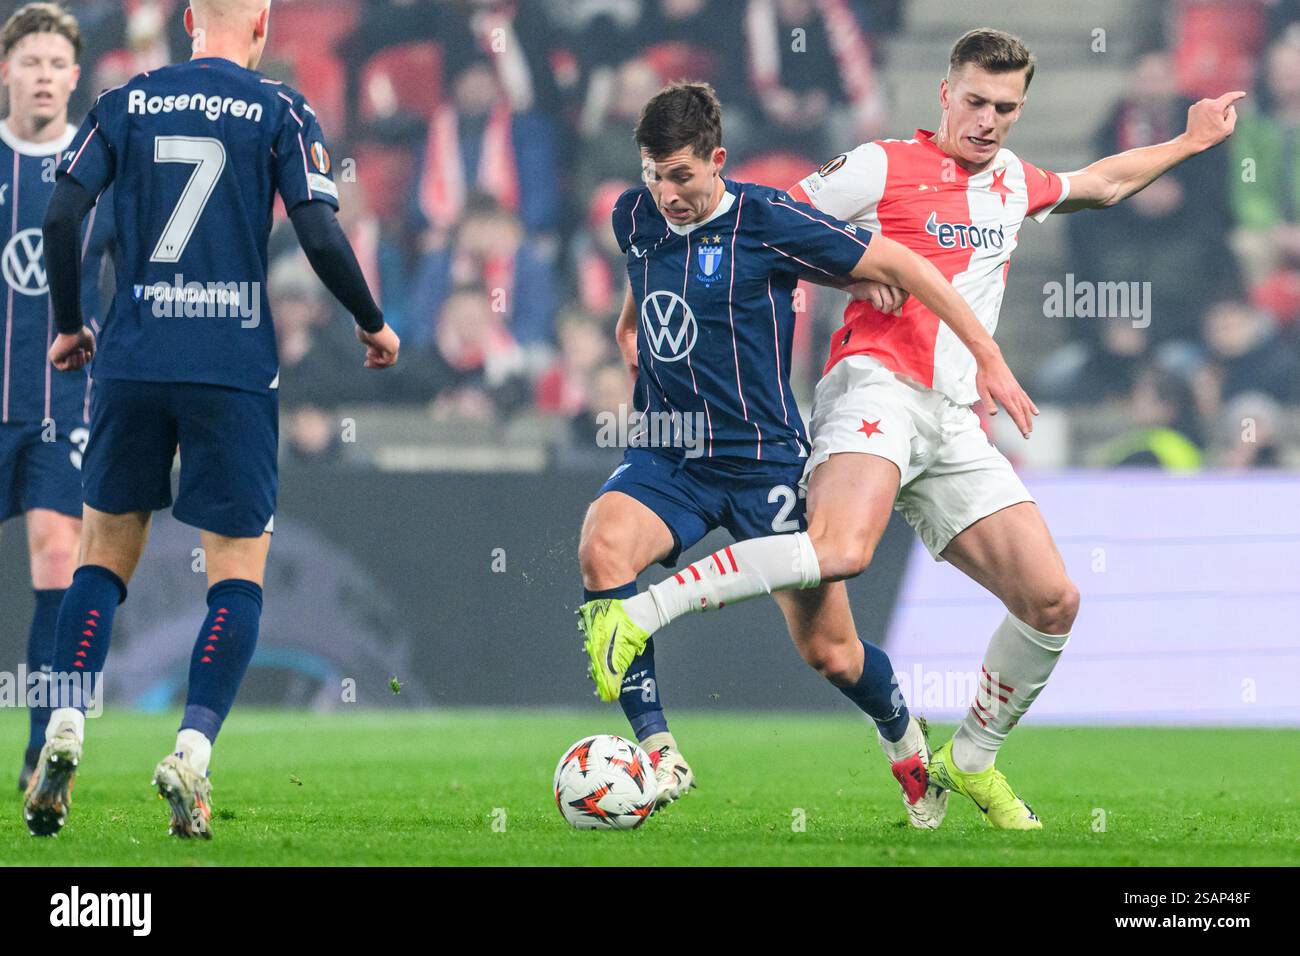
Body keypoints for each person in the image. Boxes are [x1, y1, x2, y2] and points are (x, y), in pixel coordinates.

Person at [582, 29, 1242, 829]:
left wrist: (1191, 140)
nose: (989, 120)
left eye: (1006, 107)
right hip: (875, 388)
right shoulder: (880, 164)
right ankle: (647, 620)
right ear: (944, 93)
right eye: (975, 101)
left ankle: (971, 757)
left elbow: (1101, 183)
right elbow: (775, 226)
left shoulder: (1013, 183)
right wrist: (861, 270)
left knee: (1052, 600)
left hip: (955, 421)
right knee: (844, 551)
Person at [576, 80, 1034, 826]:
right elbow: (646, 271)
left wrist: (973, 345)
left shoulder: (766, 217)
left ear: (717, 160)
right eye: (654, 175)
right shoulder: (635, 215)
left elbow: (908, 267)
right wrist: (630, 329)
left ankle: (905, 744)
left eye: (683, 175)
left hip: (765, 464)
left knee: (834, 654)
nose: (667, 192)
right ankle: (660, 754)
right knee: (603, 548)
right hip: (673, 455)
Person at [24, 0, 400, 840]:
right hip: (231, 371)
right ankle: (190, 754)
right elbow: (319, 234)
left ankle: (66, 727)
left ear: (191, 19)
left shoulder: (125, 100)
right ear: (262, 27)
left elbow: (58, 218)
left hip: (132, 361)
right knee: (236, 578)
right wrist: (371, 321)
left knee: (101, 561)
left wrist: (67, 326)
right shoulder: (280, 110)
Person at [0, 3, 114, 793]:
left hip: (60, 409)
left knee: (55, 553)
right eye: (29, 61)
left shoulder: (97, 164)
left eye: (55, 64)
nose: (42, 75)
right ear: (6, 71)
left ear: (73, 78)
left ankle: (44, 749)